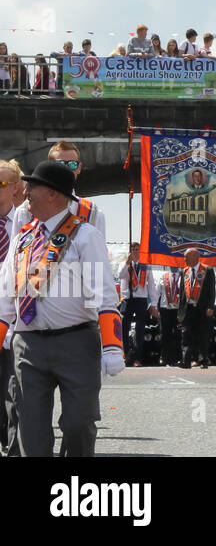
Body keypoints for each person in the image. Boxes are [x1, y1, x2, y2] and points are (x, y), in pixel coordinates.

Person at [0, 161, 124, 456]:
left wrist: (112, 347)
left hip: (76, 342)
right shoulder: (22, 240)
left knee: (80, 424)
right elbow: (5, 301)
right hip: (27, 346)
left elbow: (105, 298)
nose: (26, 193)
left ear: (53, 193)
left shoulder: (85, 236)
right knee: (30, 430)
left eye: (34, 187)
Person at [0, 159, 24, 454]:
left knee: (16, 392)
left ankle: (16, 447)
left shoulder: (28, 222)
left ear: (17, 188)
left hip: (17, 321)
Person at [116, 242, 159, 366]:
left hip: (141, 299)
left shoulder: (146, 265)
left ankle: (137, 357)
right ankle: (125, 354)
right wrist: (127, 263)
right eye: (133, 249)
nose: (135, 251)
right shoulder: (124, 264)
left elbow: (151, 285)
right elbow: (120, 275)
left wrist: (153, 304)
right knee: (125, 328)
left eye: (137, 249)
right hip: (127, 299)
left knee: (140, 329)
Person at [177, 249, 216, 369]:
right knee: (186, 335)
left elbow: (211, 290)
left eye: (186, 257)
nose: (184, 259)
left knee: (202, 335)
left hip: (202, 308)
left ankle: (203, 359)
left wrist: (210, 306)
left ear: (195, 256)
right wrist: (180, 312)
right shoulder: (185, 271)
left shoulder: (207, 270)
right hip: (188, 309)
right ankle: (186, 360)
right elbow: (182, 293)